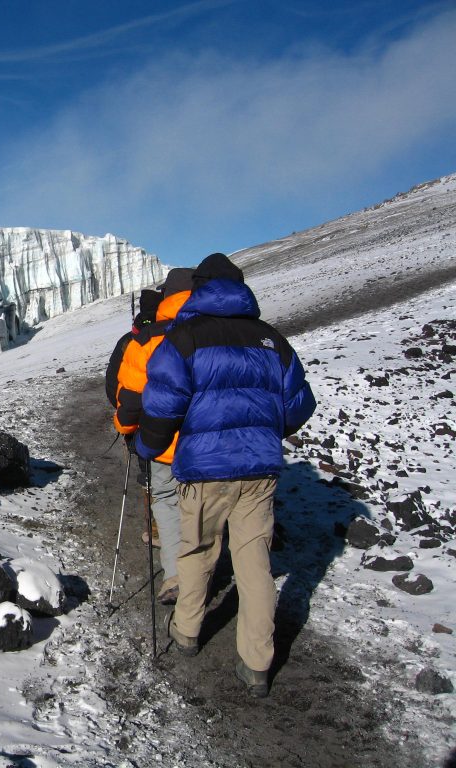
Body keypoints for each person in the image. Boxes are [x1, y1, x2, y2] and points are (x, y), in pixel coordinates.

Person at [135, 253, 315, 698]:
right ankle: (257, 663)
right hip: (260, 471)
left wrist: (149, 447)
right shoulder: (272, 340)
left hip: (204, 470)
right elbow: (299, 405)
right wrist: (266, 431)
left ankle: (187, 632)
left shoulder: (183, 338)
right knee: (254, 563)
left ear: (199, 289)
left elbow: (162, 405)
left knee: (197, 551)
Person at [113, 268, 194, 604]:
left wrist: (124, 427)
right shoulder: (210, 332)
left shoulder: (145, 340)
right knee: (202, 507)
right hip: (208, 443)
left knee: (166, 500)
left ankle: (176, 575)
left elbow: (127, 395)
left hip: (162, 442)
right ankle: (203, 567)